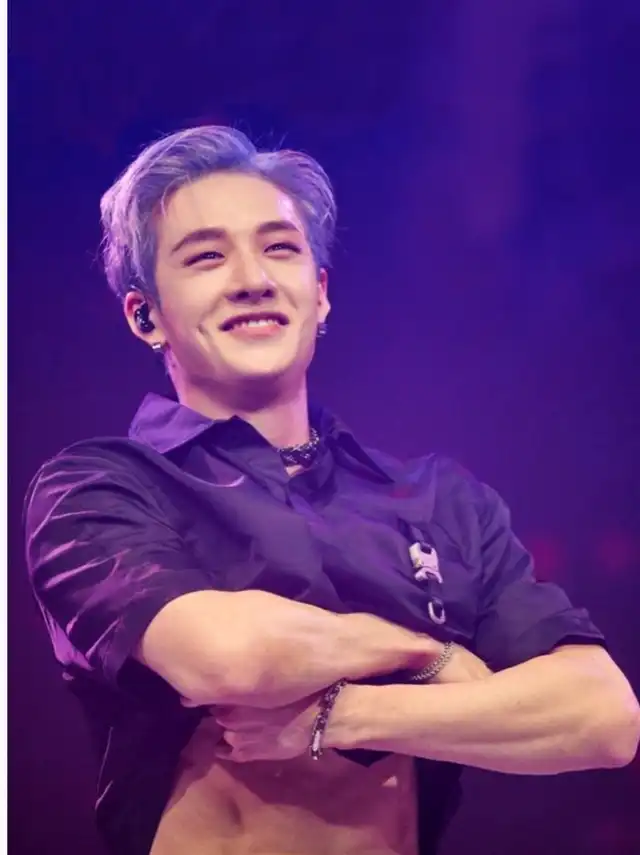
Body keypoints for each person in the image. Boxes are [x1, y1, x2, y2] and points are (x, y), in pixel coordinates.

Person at [24, 125, 639, 855]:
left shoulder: (442, 501)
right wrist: (428, 657)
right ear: (145, 315)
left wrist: (349, 716)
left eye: (280, 248)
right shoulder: (97, 488)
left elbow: (604, 719)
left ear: (319, 294)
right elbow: (229, 659)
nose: (252, 278)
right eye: (207, 256)